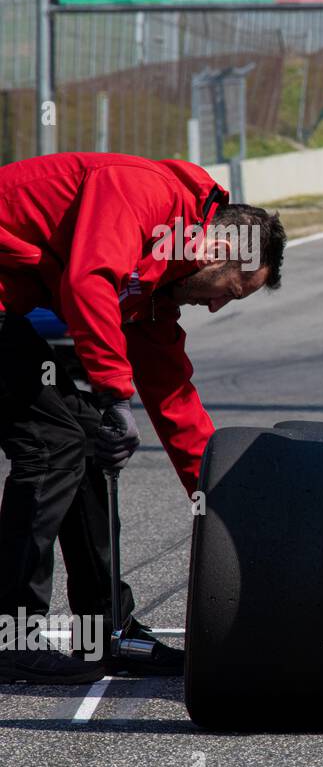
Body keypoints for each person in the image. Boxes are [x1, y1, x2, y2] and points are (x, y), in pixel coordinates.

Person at [0, 153, 286, 683]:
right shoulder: (140, 190)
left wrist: (226, 511)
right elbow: (89, 281)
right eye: (230, 291)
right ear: (219, 251)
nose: (219, 307)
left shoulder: (159, 282)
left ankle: (106, 631)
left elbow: (176, 401)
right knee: (53, 444)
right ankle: (11, 635)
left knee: (82, 438)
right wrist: (114, 394)